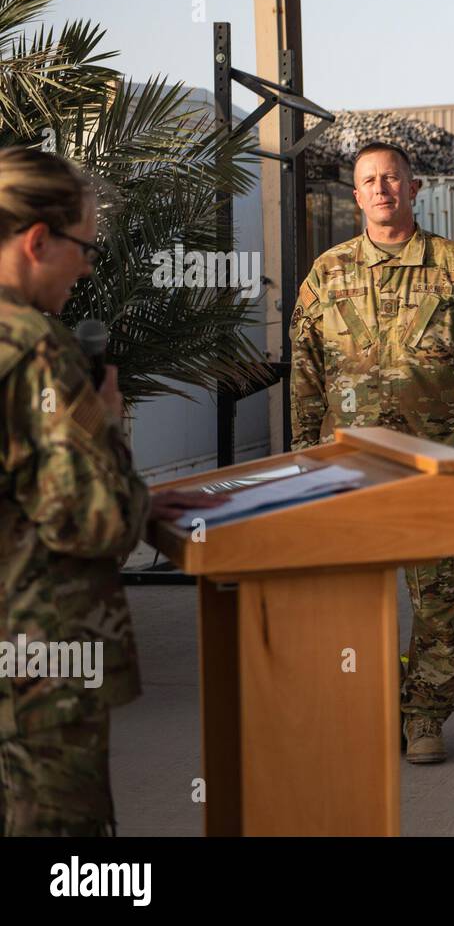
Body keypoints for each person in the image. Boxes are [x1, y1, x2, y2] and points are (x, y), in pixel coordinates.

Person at [0, 147, 221, 834]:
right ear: (39, 241)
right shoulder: (36, 348)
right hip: (37, 672)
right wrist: (109, 430)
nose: (88, 266)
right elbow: (89, 522)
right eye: (83, 246)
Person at [290, 141, 454, 764]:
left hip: (434, 464)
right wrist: (306, 464)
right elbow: (304, 376)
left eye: (393, 179)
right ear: (356, 195)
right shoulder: (326, 273)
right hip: (350, 466)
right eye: (369, 181)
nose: (382, 189)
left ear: (415, 190)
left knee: (437, 600)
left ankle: (425, 718)